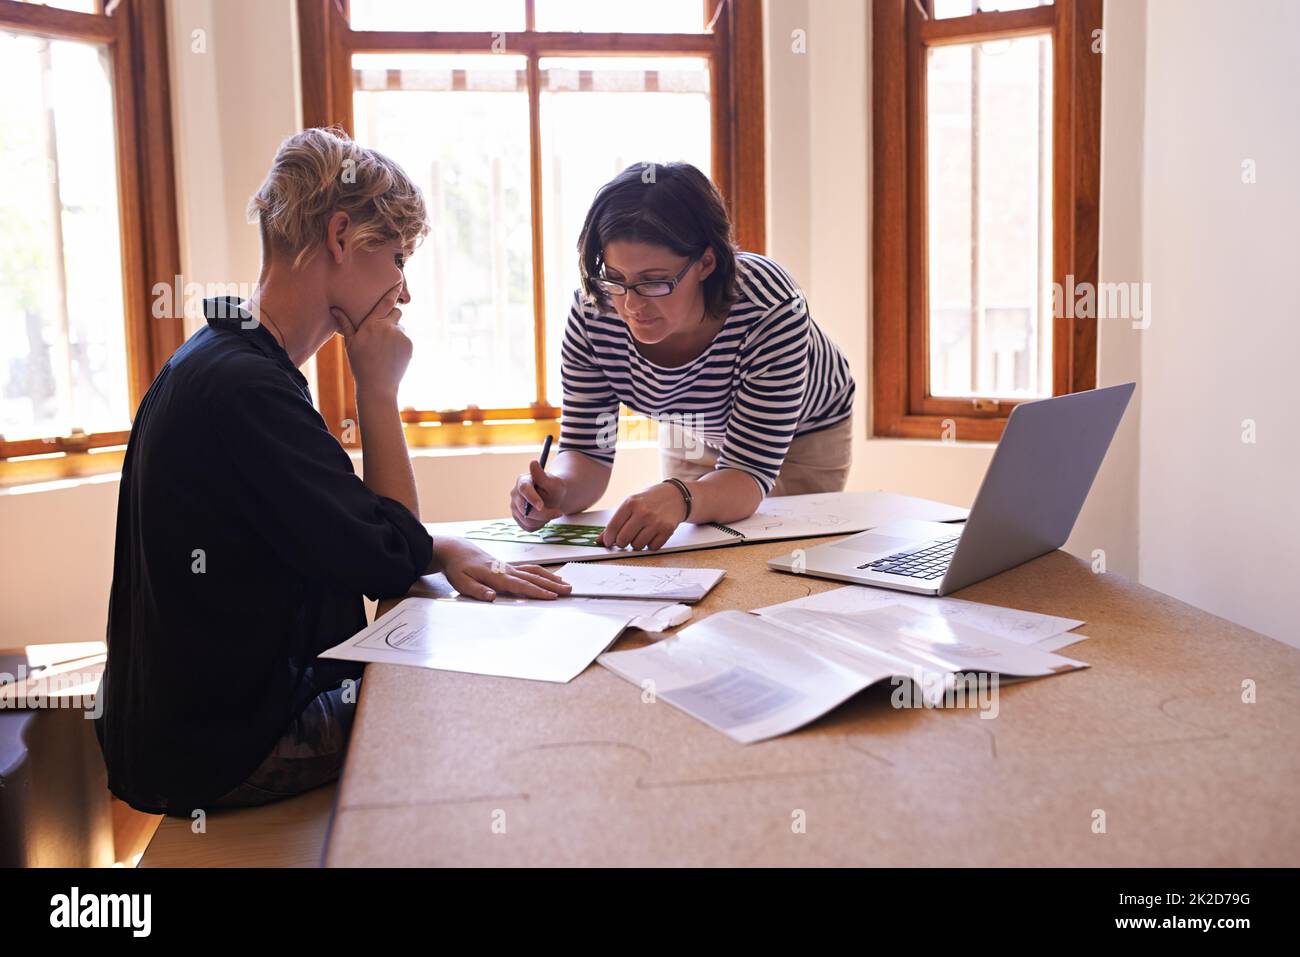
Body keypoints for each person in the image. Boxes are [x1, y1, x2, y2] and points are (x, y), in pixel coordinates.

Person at [94, 128, 569, 816]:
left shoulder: (219, 358)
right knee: (473, 702)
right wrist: (378, 392)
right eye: (398, 256)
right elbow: (385, 560)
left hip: (176, 738)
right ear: (341, 235)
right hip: (229, 748)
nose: (403, 286)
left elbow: (352, 531)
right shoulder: (250, 390)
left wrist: (437, 546)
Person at [511, 162, 856, 551]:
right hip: (693, 422)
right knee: (691, 554)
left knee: (773, 558)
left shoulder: (770, 308)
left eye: (654, 281)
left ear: (707, 262)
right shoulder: (595, 310)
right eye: (616, 278)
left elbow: (747, 474)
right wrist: (559, 489)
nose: (632, 304)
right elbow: (588, 450)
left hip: (803, 432)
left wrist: (681, 496)